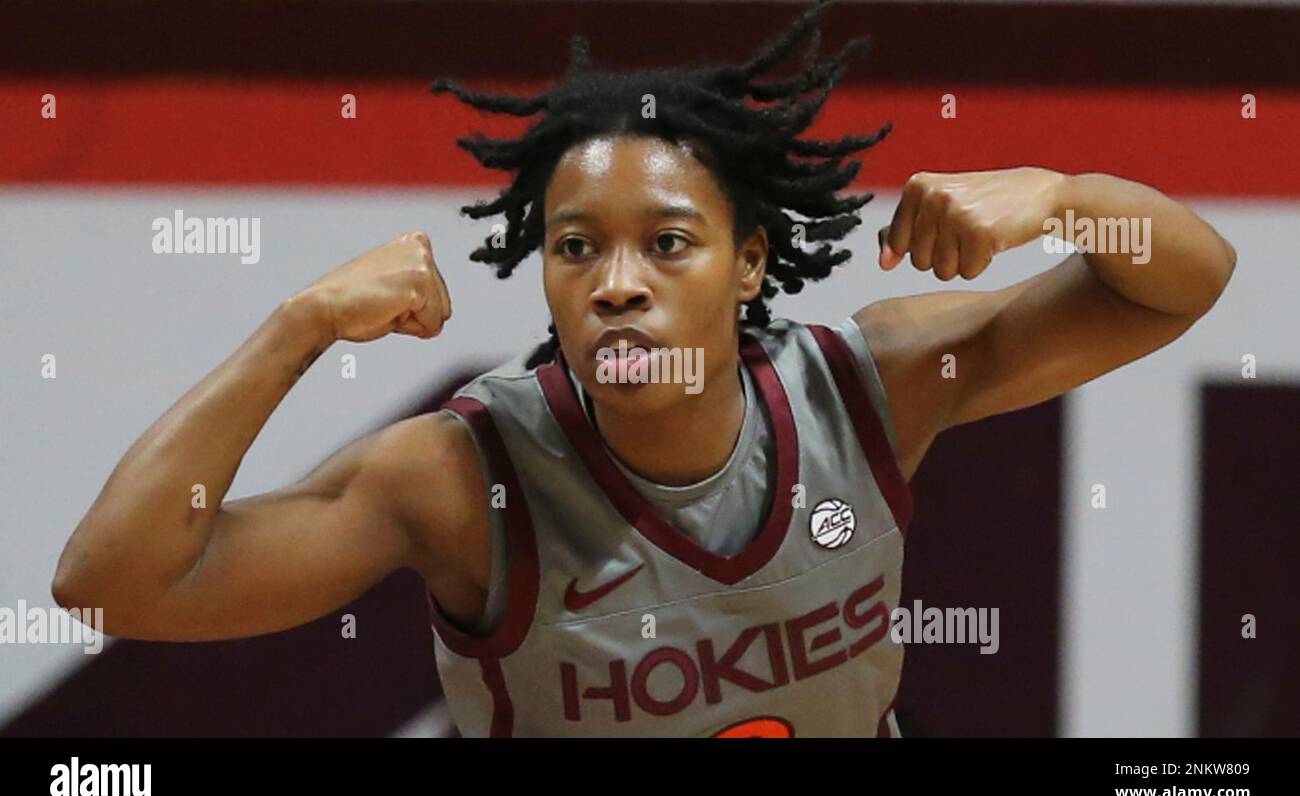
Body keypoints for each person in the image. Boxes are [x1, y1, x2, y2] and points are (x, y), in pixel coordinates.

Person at [52, 1, 1235, 736]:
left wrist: (1070, 199)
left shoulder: (869, 384)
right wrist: (296, 325)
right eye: (576, 248)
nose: (616, 280)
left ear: (746, 263)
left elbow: (1181, 277)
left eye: (667, 243)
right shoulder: (467, 475)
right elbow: (118, 583)